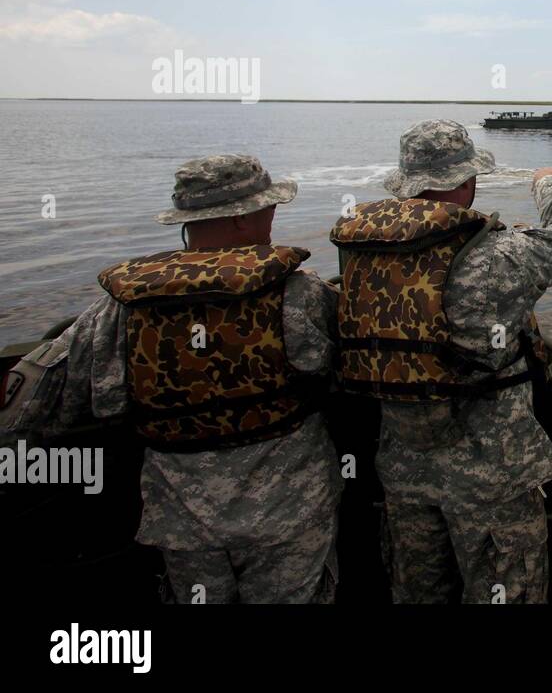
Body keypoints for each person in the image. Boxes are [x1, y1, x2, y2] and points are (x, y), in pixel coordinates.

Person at [46, 154, 342, 603]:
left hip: (181, 519)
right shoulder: (298, 294)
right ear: (244, 218)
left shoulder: (120, 308)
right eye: (269, 205)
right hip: (288, 513)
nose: (273, 215)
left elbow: (37, 402)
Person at [331, 120, 552, 604]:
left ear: (407, 185)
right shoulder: (495, 256)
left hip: (404, 473)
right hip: (492, 478)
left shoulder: (361, 259)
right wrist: (548, 183)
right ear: (468, 183)